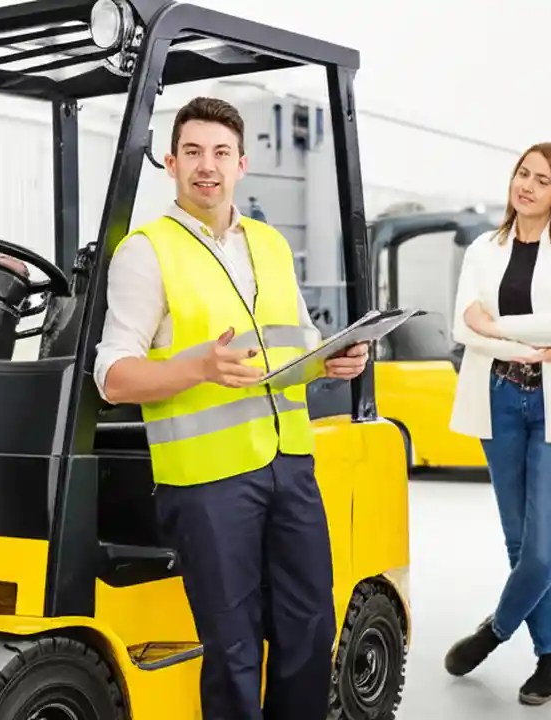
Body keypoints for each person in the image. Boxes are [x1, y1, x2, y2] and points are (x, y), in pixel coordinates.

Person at [93, 96, 370, 720]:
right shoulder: (146, 251)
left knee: (309, 629)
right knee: (235, 648)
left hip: (290, 465)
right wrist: (197, 367)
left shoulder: (269, 245)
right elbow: (111, 375)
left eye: (220, 153)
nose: (206, 166)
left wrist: (332, 361)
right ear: (171, 162)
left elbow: (294, 340)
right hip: (207, 483)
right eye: (192, 152)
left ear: (242, 163)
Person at [443, 142, 551, 706]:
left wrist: (500, 326)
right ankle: (550, 658)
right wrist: (532, 348)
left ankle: (493, 631)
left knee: (542, 549)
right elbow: (463, 329)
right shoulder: (483, 249)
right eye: (522, 173)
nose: (528, 185)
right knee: (519, 542)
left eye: (542, 179)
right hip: (499, 399)